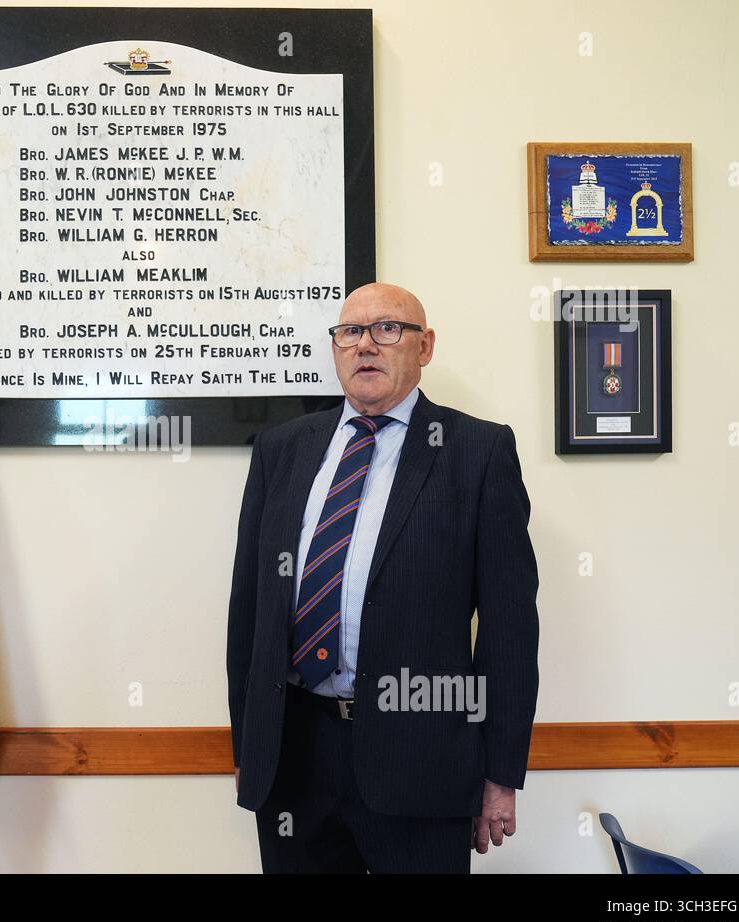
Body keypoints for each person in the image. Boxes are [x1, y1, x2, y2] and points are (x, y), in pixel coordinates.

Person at [226, 282, 539, 873]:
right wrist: (250, 743)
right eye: (350, 332)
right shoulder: (282, 449)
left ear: (425, 347)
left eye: (387, 329)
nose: (365, 345)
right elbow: (249, 609)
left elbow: (509, 630)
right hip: (295, 757)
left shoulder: (478, 451)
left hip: (421, 760)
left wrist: (500, 774)